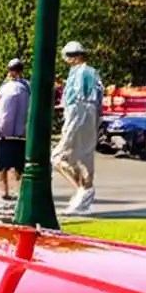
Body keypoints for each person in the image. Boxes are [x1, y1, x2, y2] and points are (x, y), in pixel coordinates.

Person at [53, 41, 102, 215]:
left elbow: (80, 100)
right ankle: (84, 191)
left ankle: (83, 190)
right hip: (87, 116)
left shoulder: (82, 73)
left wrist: (70, 125)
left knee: (59, 158)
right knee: (84, 157)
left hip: (79, 116)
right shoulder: (90, 72)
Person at [0, 58, 31, 204]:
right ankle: (20, 190)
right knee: (19, 164)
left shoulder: (7, 87)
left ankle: (4, 190)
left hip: (5, 131)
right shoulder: (28, 86)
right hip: (22, 131)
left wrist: (0, 129)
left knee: (2, 164)